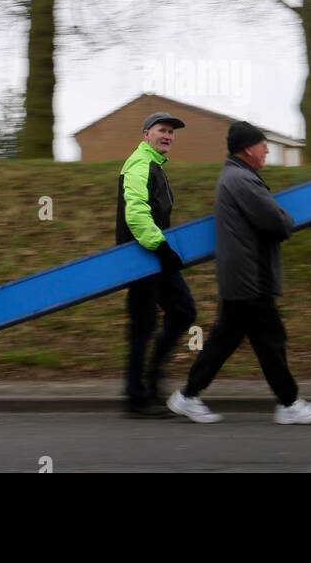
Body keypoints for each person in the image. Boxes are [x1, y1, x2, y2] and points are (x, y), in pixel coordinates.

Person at [168, 121, 311, 425]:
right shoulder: (242, 180)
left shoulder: (236, 177)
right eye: (262, 144)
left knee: (224, 341)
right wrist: (285, 219)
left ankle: (188, 396)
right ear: (247, 149)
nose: (266, 149)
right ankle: (289, 404)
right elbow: (274, 219)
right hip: (250, 278)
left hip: (241, 277)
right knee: (270, 340)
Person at [117, 112, 197, 417]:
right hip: (140, 257)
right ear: (145, 135)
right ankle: (136, 397)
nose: (168, 135)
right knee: (143, 325)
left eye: (171, 132)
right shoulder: (141, 164)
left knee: (182, 311)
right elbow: (136, 213)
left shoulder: (154, 165)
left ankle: (150, 380)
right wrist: (161, 247)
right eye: (162, 130)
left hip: (153, 257)